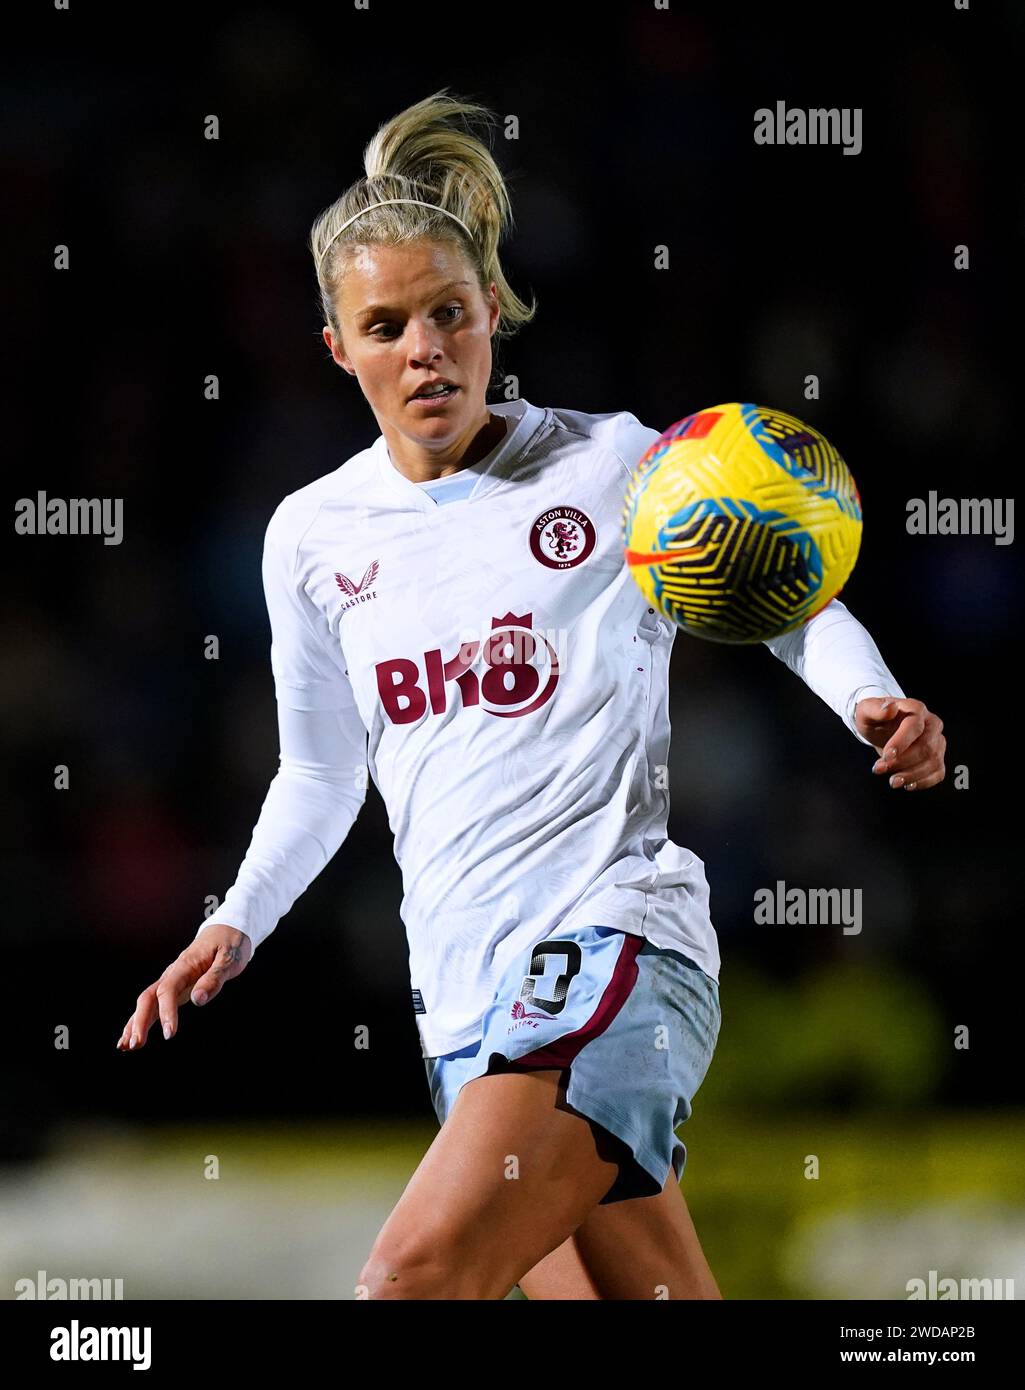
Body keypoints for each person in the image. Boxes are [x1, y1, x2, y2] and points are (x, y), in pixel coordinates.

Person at [116, 89, 947, 1300]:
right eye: (385, 324)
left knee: (407, 1280)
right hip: (464, 1008)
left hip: (611, 951)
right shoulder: (309, 535)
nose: (424, 349)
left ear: (492, 310)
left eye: (449, 314)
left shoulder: (611, 462)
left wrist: (870, 699)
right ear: (337, 346)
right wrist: (234, 920)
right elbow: (321, 770)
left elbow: (784, 591)